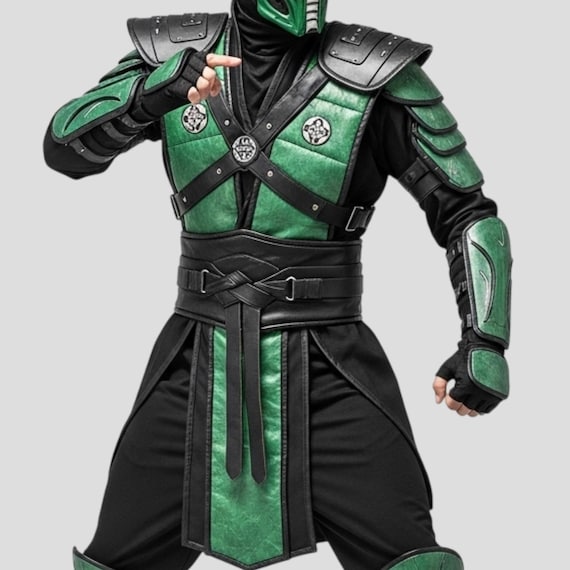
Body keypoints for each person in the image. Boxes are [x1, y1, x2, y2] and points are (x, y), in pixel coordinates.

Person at [44, 1, 512, 569]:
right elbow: (63, 150)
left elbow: (466, 214)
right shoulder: (173, 54)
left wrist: (485, 340)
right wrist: (147, 97)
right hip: (193, 364)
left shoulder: (379, 73)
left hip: (332, 366)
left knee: (411, 560)